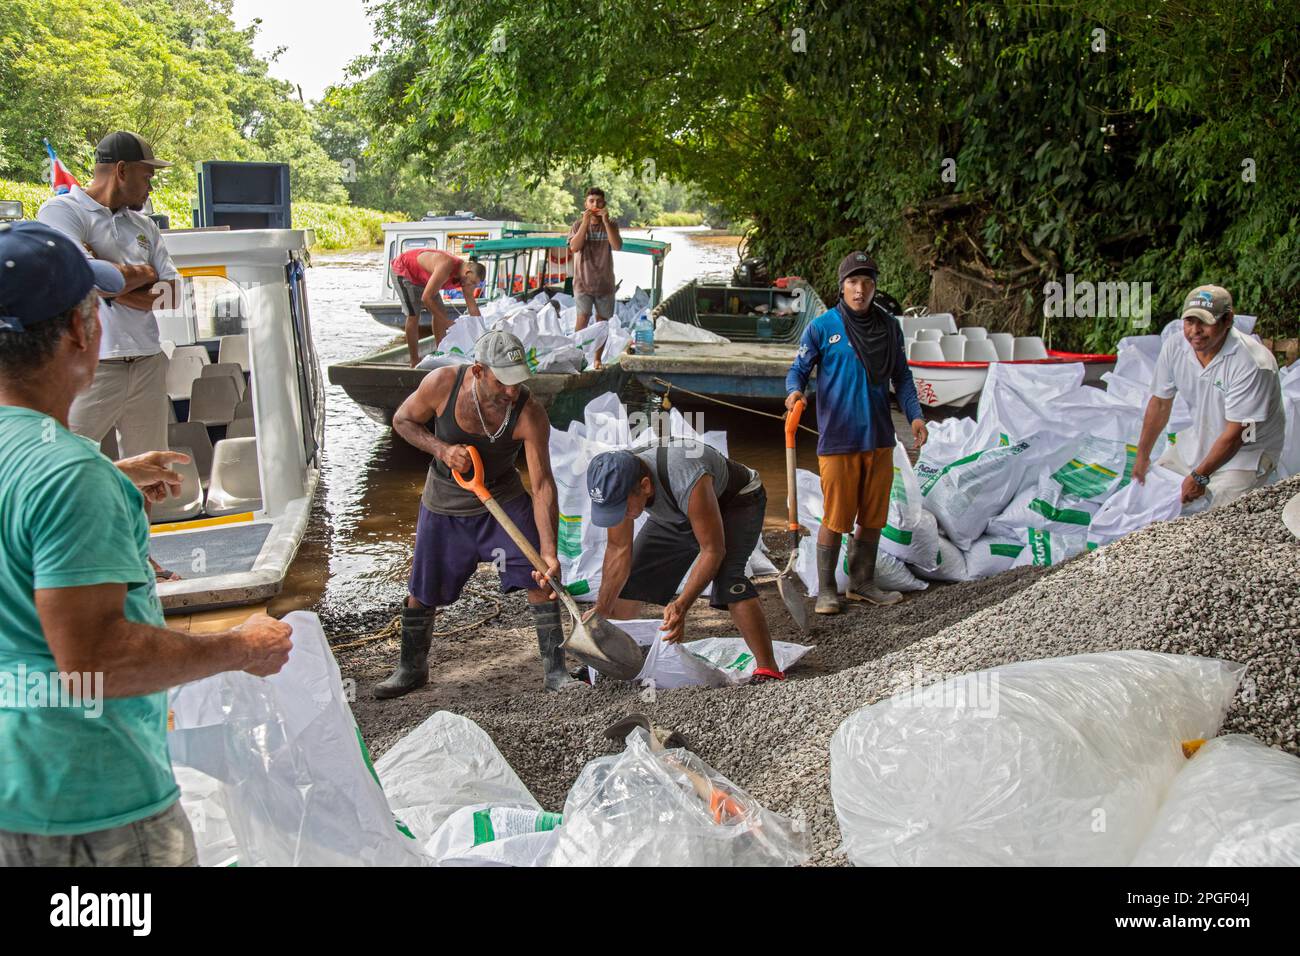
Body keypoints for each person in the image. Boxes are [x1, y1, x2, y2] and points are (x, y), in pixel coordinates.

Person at [0, 222, 293, 867]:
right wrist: (240, 648)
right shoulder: (68, 472)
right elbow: (95, 661)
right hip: (86, 803)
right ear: (83, 331)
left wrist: (112, 475)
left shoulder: (58, 467)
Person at [377, 330, 581, 697]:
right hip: (444, 504)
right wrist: (441, 450)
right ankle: (411, 669)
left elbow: (543, 485)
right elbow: (403, 421)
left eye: (517, 381)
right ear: (478, 371)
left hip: (501, 500)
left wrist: (550, 550)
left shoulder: (529, 412)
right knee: (423, 589)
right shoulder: (441, 384)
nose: (511, 392)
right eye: (502, 381)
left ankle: (555, 672)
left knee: (540, 578)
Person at [786, 251, 927, 615]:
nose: (860, 289)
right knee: (836, 516)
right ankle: (828, 590)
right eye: (853, 282)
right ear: (842, 287)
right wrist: (795, 392)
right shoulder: (823, 327)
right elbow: (798, 370)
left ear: (875, 286)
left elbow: (903, 378)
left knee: (873, 517)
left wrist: (915, 416)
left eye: (866, 282)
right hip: (838, 440)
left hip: (880, 438)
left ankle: (862, 583)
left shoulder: (889, 327)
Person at [585, 440, 785, 683]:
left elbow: (712, 550)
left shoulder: (684, 475)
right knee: (633, 577)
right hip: (677, 508)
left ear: (645, 486)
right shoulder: (619, 483)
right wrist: (602, 609)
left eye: (621, 507)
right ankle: (622, 661)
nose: (619, 515)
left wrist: (681, 606)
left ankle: (768, 669)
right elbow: (618, 549)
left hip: (735, 501)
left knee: (728, 579)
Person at [36, 131, 179, 463]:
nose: (151, 187)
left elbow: (172, 295)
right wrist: (145, 273)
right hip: (92, 366)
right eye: (147, 176)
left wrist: (108, 278)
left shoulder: (146, 227)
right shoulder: (61, 212)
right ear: (122, 171)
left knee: (152, 470)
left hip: (147, 362)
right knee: (65, 464)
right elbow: (81, 278)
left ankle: (142, 519)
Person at [1133, 284, 1283, 508]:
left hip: (1247, 454)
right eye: (1189, 321)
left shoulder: (1252, 363)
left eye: (1205, 322)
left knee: (1218, 516)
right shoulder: (1175, 347)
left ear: (1228, 320)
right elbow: (1160, 404)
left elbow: (1236, 435)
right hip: (1200, 441)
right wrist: (1142, 455)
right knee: (1152, 493)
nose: (1195, 331)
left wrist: (1200, 477)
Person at [390, 247, 486, 365]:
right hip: (404, 271)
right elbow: (426, 298)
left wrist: (480, 331)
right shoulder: (446, 265)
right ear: (468, 272)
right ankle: (414, 361)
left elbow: (471, 304)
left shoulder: (465, 279)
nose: (471, 286)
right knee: (414, 316)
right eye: (472, 283)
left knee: (441, 312)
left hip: (424, 279)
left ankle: (441, 351)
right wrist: (446, 322)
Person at [567, 187, 622, 368]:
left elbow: (617, 246)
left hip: (605, 283)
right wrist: (584, 222)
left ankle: (597, 359)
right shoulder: (577, 225)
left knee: (602, 323)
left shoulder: (611, 224)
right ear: (586, 204)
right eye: (591, 201)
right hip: (582, 282)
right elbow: (574, 247)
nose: (595, 205)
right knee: (582, 319)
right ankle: (577, 358)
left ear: (604, 204)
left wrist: (605, 222)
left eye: (599, 201)